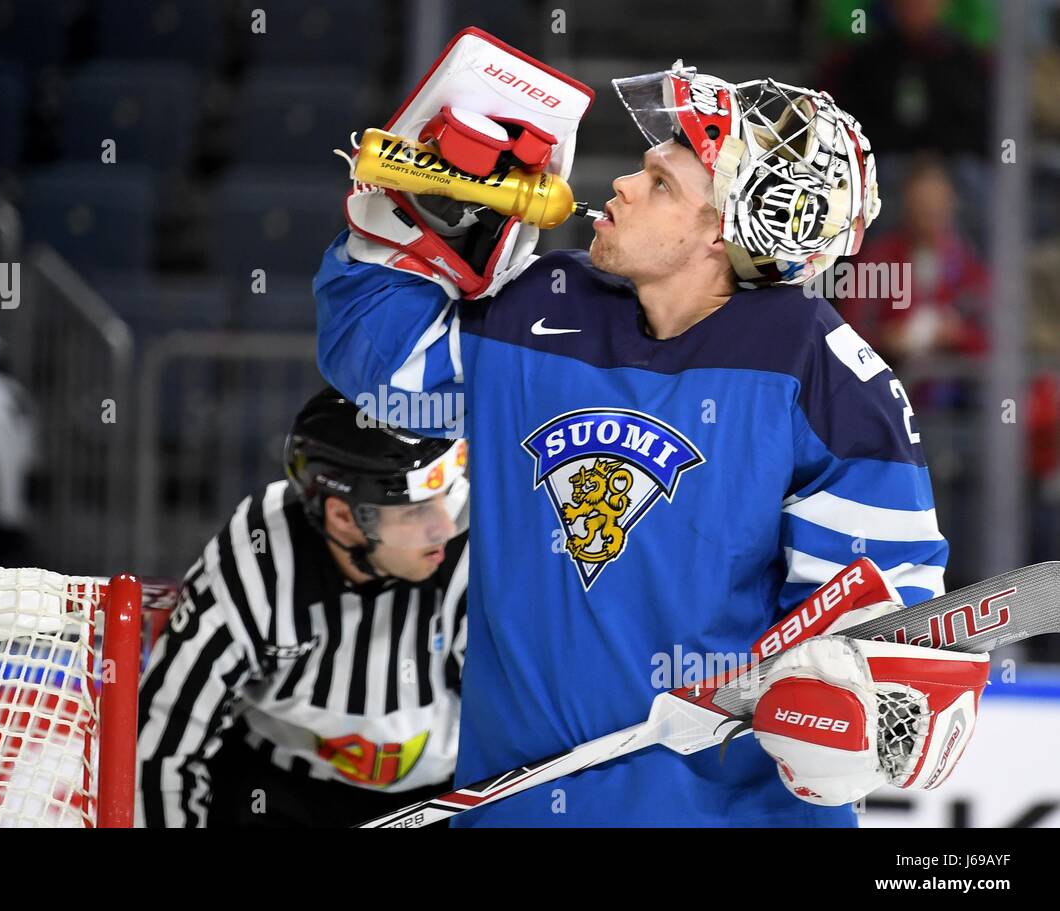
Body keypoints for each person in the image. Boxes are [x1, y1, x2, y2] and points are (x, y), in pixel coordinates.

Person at [315, 44, 989, 826]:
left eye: (661, 182)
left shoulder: (825, 373)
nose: (622, 186)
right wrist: (409, 217)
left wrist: (857, 707)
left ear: (726, 231)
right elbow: (378, 367)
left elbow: (889, 615)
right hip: (519, 809)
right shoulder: (543, 308)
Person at [136, 388, 470, 827]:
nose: (445, 526)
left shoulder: (477, 546)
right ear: (344, 517)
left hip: (446, 799)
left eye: (446, 494)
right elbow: (165, 746)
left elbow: (533, 724)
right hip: (278, 795)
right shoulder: (260, 559)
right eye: (416, 511)